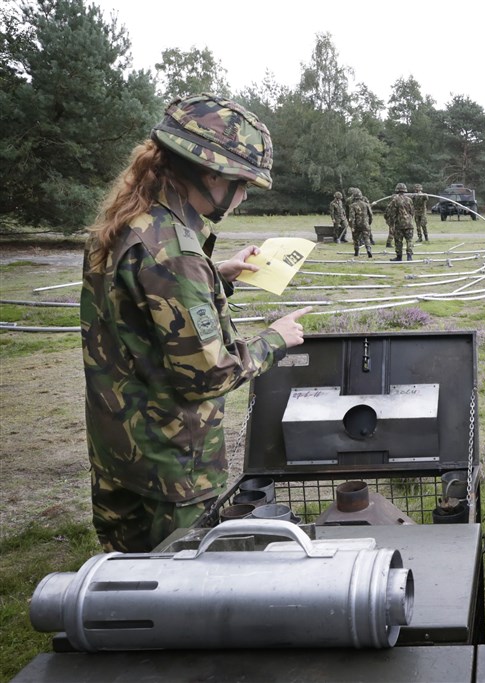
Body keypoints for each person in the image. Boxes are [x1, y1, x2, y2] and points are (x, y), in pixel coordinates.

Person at [81, 94, 312, 553]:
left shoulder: (130, 222)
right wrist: (274, 340)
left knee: (127, 581)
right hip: (173, 465)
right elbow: (208, 373)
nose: (243, 197)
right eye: (242, 183)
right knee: (178, 590)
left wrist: (216, 276)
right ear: (210, 173)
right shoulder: (177, 252)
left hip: (119, 447)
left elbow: (139, 321)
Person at [384, 182, 415, 261]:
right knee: (409, 240)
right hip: (409, 223)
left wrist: (391, 224)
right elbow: (412, 211)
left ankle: (399, 256)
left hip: (399, 223)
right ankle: (409, 256)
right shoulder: (409, 200)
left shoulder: (395, 200)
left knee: (398, 241)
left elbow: (392, 213)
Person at [348, 187, 374, 258]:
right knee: (366, 238)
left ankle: (356, 251)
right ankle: (368, 249)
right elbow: (371, 215)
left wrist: (352, 226)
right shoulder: (366, 205)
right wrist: (369, 223)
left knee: (356, 238)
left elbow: (351, 218)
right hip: (365, 224)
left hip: (357, 224)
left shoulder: (352, 206)